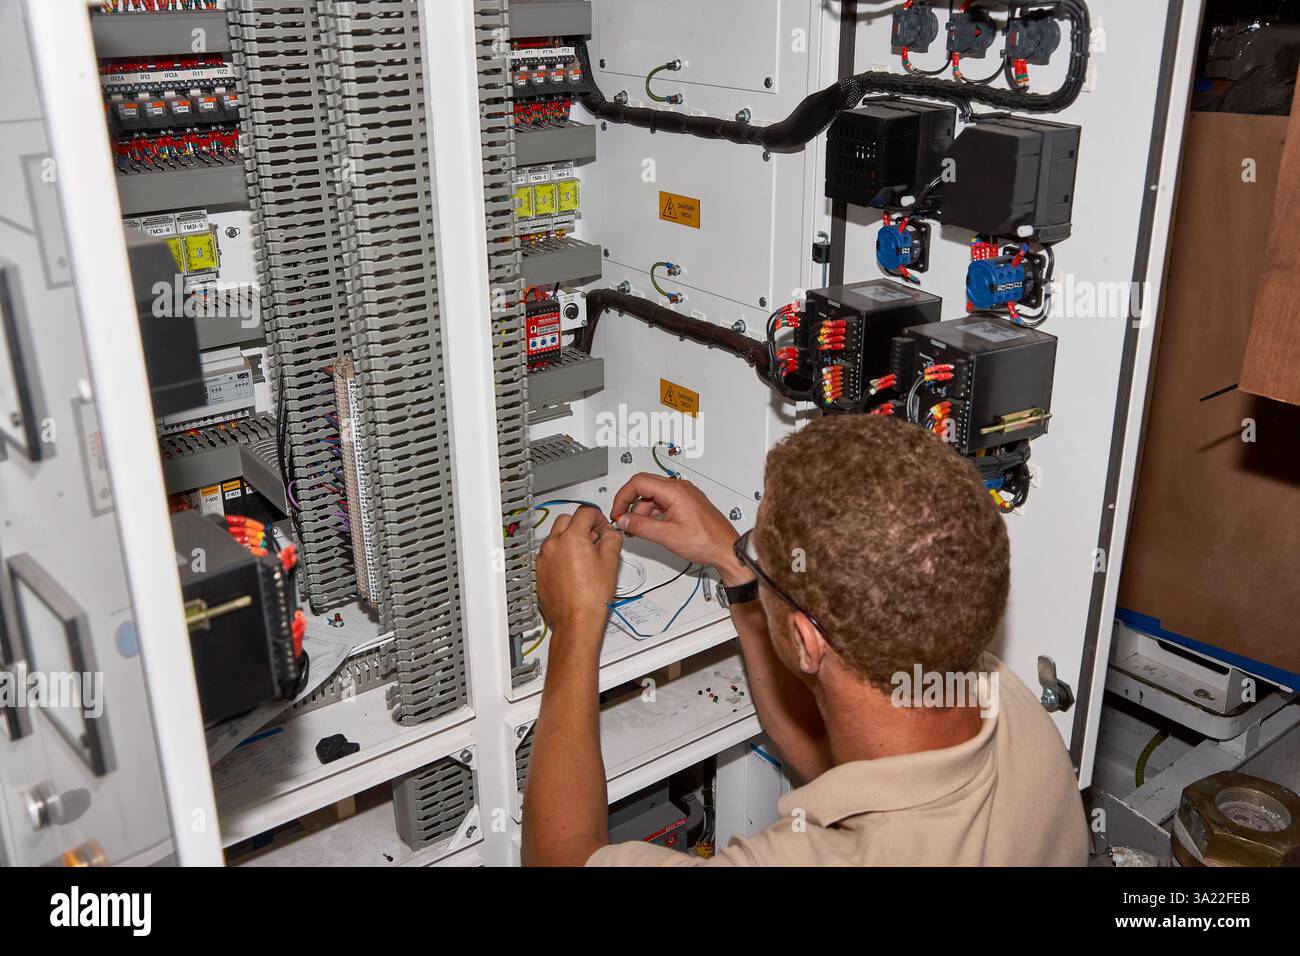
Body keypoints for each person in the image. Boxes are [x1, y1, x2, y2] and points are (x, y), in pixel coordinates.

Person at [521, 414, 1088, 866]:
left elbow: (557, 858)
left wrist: (575, 625)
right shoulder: (1004, 704)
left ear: (804, 637)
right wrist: (736, 565)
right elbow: (838, 759)